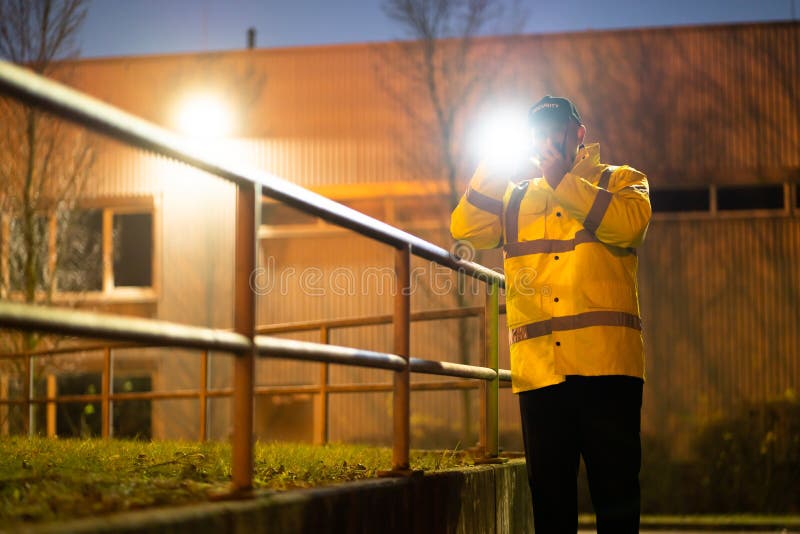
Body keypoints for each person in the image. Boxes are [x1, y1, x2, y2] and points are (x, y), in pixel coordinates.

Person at [450, 95, 651, 533]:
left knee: (616, 502)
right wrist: (496, 161)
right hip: (541, 375)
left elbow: (628, 224)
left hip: (608, 371)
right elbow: (464, 228)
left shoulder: (621, 180)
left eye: (554, 130)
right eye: (537, 132)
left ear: (579, 134)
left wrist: (564, 182)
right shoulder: (515, 195)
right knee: (551, 510)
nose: (545, 139)